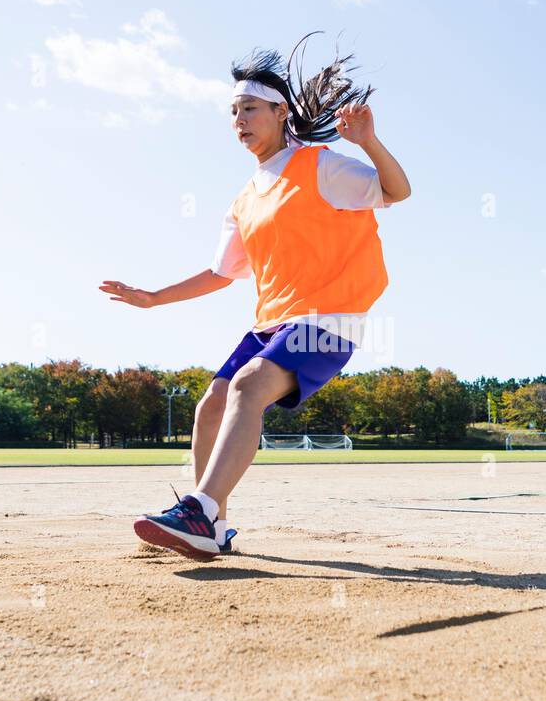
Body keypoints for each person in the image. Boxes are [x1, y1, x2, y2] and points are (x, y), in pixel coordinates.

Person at [99, 31, 411, 559]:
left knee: (248, 386)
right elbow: (222, 273)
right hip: (273, 322)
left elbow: (396, 191)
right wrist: (153, 298)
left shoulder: (321, 165)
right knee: (211, 405)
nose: (239, 119)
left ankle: (199, 511)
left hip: (329, 318)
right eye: (233, 111)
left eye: (249, 108)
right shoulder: (244, 199)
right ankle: (210, 523)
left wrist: (368, 142)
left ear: (279, 111)